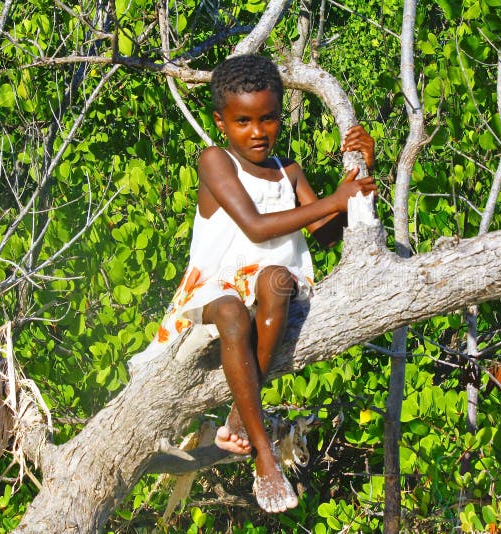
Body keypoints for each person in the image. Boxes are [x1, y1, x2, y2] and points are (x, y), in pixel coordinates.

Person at [134, 54, 376, 513]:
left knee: (277, 279)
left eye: (268, 119)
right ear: (220, 123)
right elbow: (256, 227)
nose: (258, 131)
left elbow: (329, 236)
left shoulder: (290, 172)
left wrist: (361, 172)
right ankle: (263, 452)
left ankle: (237, 420)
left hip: (273, 289)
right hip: (215, 290)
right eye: (243, 121)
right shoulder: (215, 161)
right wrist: (335, 199)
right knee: (230, 311)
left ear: (281, 116)